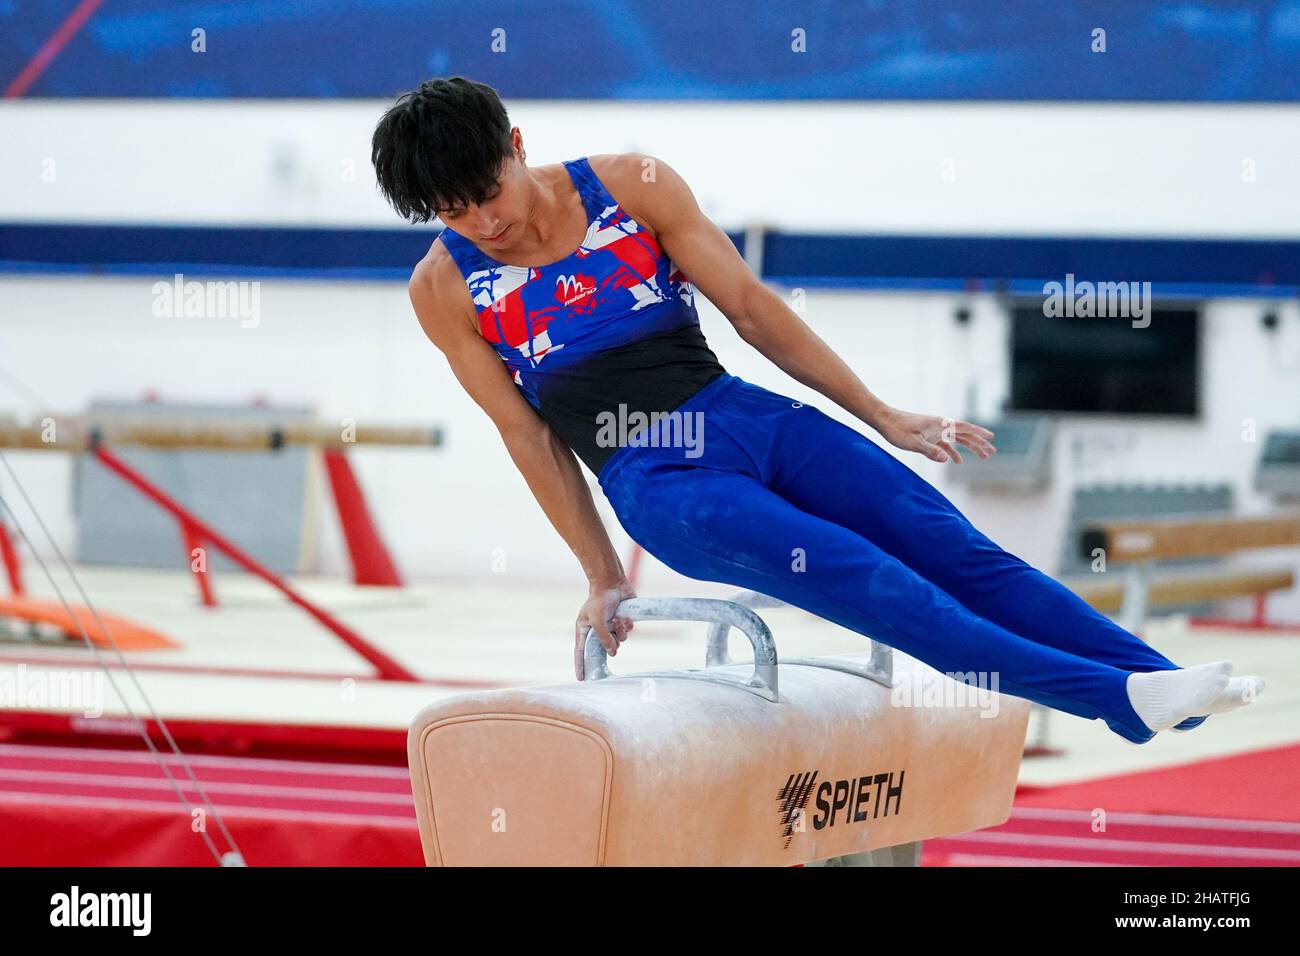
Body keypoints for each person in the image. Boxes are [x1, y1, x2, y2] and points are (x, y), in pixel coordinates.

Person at [371, 76, 1263, 744]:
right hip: (662, 479)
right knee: (875, 579)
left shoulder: (628, 186)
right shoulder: (446, 286)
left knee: (959, 552)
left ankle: (1165, 686)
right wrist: (603, 572)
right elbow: (526, 434)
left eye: (487, 190)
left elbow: (753, 310)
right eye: (451, 210)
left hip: (750, 418)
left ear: (516, 142)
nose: (482, 221)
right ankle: (1118, 701)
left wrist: (883, 415)